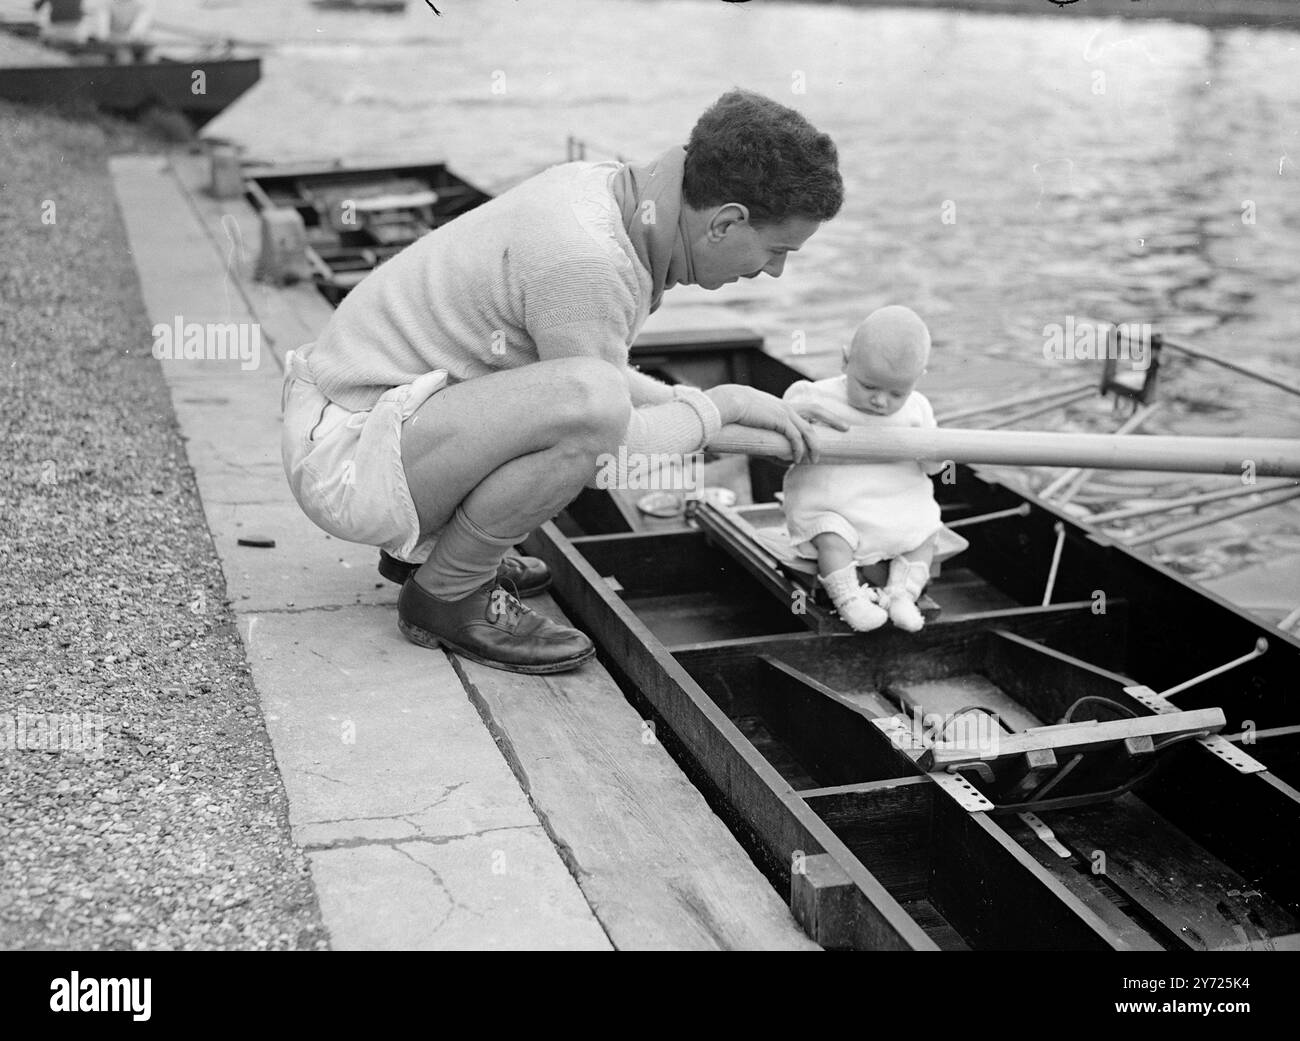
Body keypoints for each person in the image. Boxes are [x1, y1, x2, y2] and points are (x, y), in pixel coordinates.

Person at [282, 89, 846, 673]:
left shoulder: (605, 191)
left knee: (587, 395)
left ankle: (428, 554)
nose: (775, 271)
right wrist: (714, 412)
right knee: (591, 407)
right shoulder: (589, 260)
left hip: (372, 425)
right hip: (349, 462)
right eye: (778, 251)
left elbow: (594, 380)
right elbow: (606, 445)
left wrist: (703, 402)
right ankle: (446, 593)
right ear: (727, 221)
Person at [781, 305, 964, 632]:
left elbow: (933, 466)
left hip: (895, 502)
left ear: (917, 380)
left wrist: (938, 449)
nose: (881, 401)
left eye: (897, 392)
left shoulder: (918, 408)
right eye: (868, 387)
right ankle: (850, 600)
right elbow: (783, 427)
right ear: (845, 361)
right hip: (834, 505)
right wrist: (798, 419)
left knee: (926, 533)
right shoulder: (815, 398)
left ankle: (902, 595)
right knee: (831, 536)